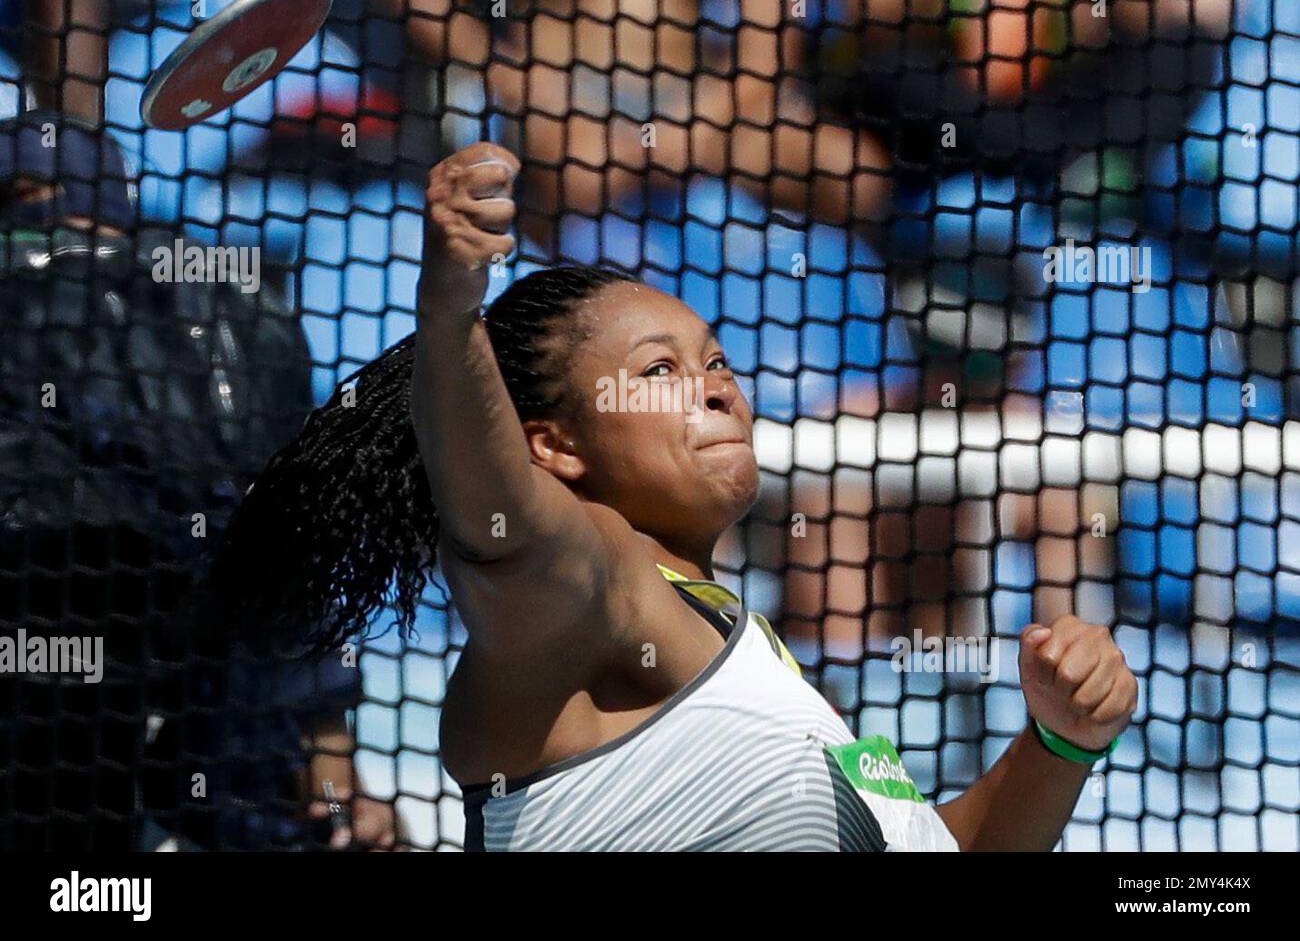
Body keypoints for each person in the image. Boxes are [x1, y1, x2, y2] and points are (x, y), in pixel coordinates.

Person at [214, 142, 1139, 850]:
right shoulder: (595, 583)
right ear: (555, 445)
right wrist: (453, 305)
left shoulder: (741, 644)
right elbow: (498, 521)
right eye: (661, 368)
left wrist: (1060, 742)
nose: (717, 387)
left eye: (717, 361)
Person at [0, 109, 397, 850]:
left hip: (90, 779)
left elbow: (292, 566)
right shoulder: (243, 302)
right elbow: (297, 571)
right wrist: (337, 778)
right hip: (222, 769)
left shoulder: (226, 312)